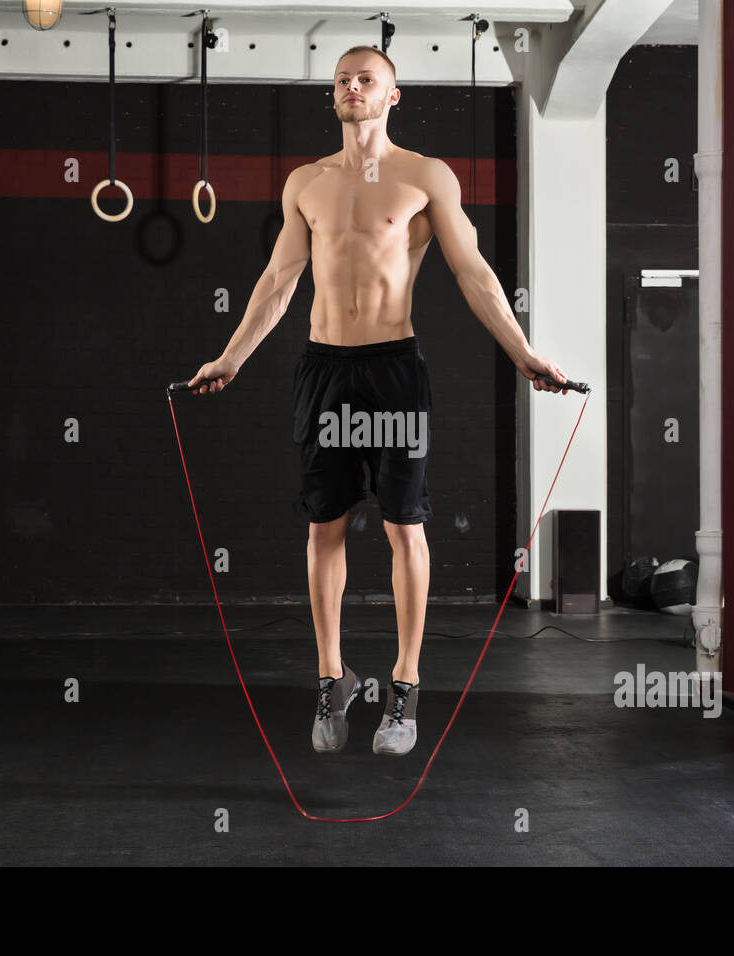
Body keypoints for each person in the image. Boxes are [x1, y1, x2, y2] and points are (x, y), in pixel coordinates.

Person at [189, 45, 569, 756]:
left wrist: (523, 351)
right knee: (324, 526)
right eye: (342, 79)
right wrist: (231, 357)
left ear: (393, 96)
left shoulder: (424, 176)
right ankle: (333, 677)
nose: (352, 87)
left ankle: (405, 687)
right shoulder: (306, 182)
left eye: (366, 79)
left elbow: (474, 272)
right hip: (324, 369)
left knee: (404, 527)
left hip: (393, 369)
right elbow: (279, 281)